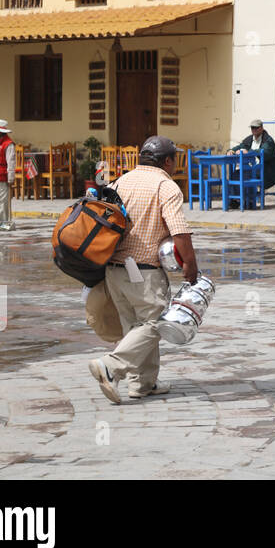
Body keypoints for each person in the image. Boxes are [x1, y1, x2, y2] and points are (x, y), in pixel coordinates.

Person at [88, 135, 200, 403]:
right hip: (144, 272)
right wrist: (190, 265)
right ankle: (111, 366)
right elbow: (179, 231)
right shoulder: (166, 186)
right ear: (168, 161)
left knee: (134, 327)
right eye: (175, 159)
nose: (176, 164)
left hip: (114, 270)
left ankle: (143, 384)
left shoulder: (120, 181)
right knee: (156, 324)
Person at [225, 119, 275, 207]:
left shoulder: (268, 140)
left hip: (268, 170)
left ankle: (250, 201)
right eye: (252, 128)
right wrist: (231, 150)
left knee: (247, 175)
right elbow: (240, 146)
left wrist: (248, 151)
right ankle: (235, 200)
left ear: (261, 128)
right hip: (253, 168)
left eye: (256, 128)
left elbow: (264, 153)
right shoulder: (250, 139)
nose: (254, 130)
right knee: (235, 174)